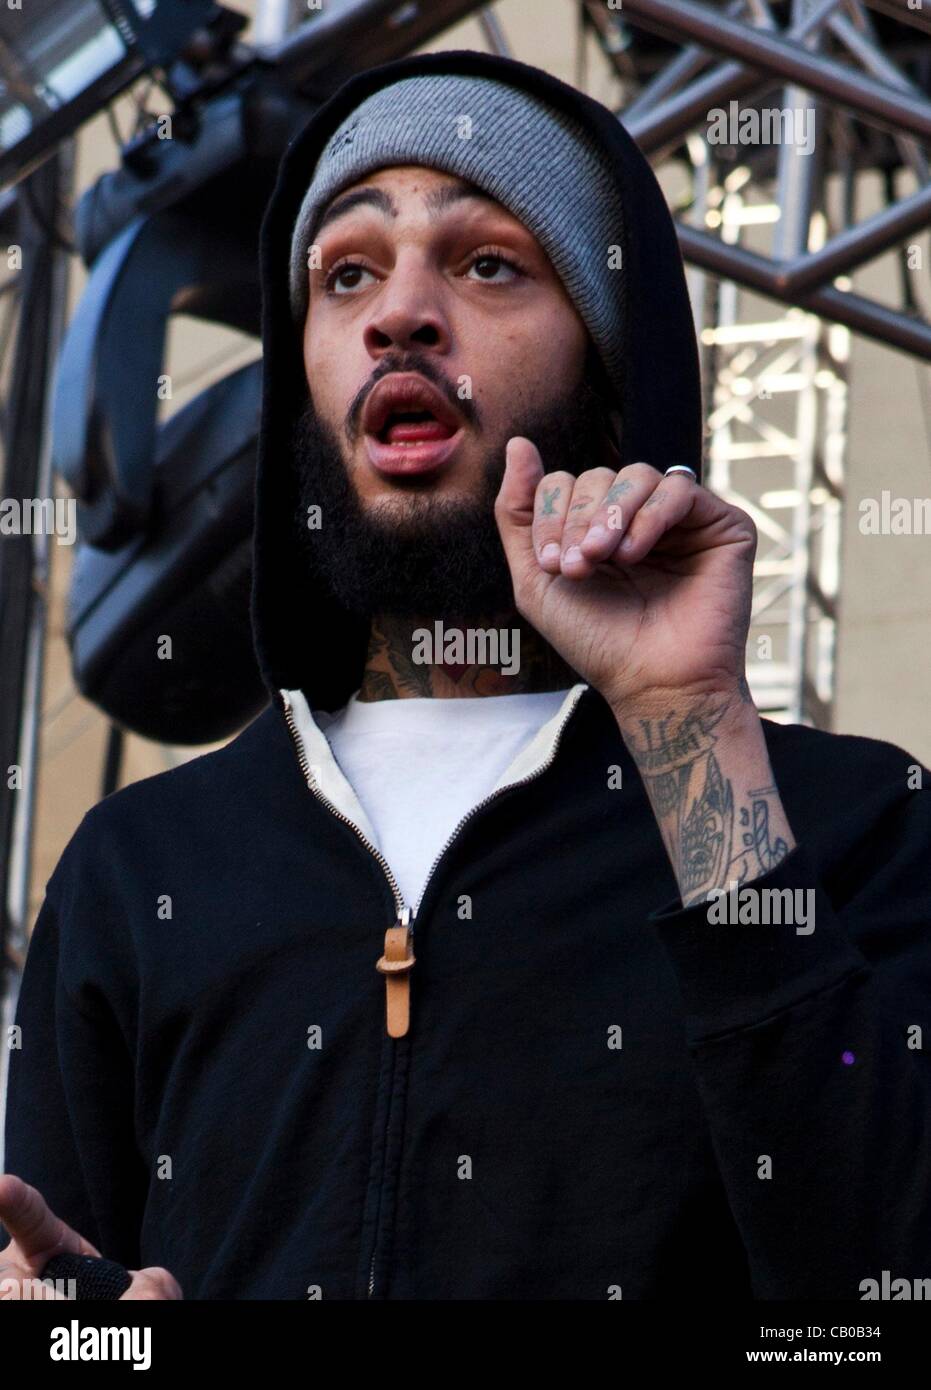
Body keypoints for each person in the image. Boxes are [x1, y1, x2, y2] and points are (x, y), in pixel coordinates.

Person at [2, 49, 929, 1302]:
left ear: (610, 382)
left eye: (489, 261)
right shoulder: (139, 869)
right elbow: (68, 1309)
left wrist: (687, 725)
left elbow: (876, 1287)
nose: (399, 312)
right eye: (347, 273)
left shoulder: (848, 825)